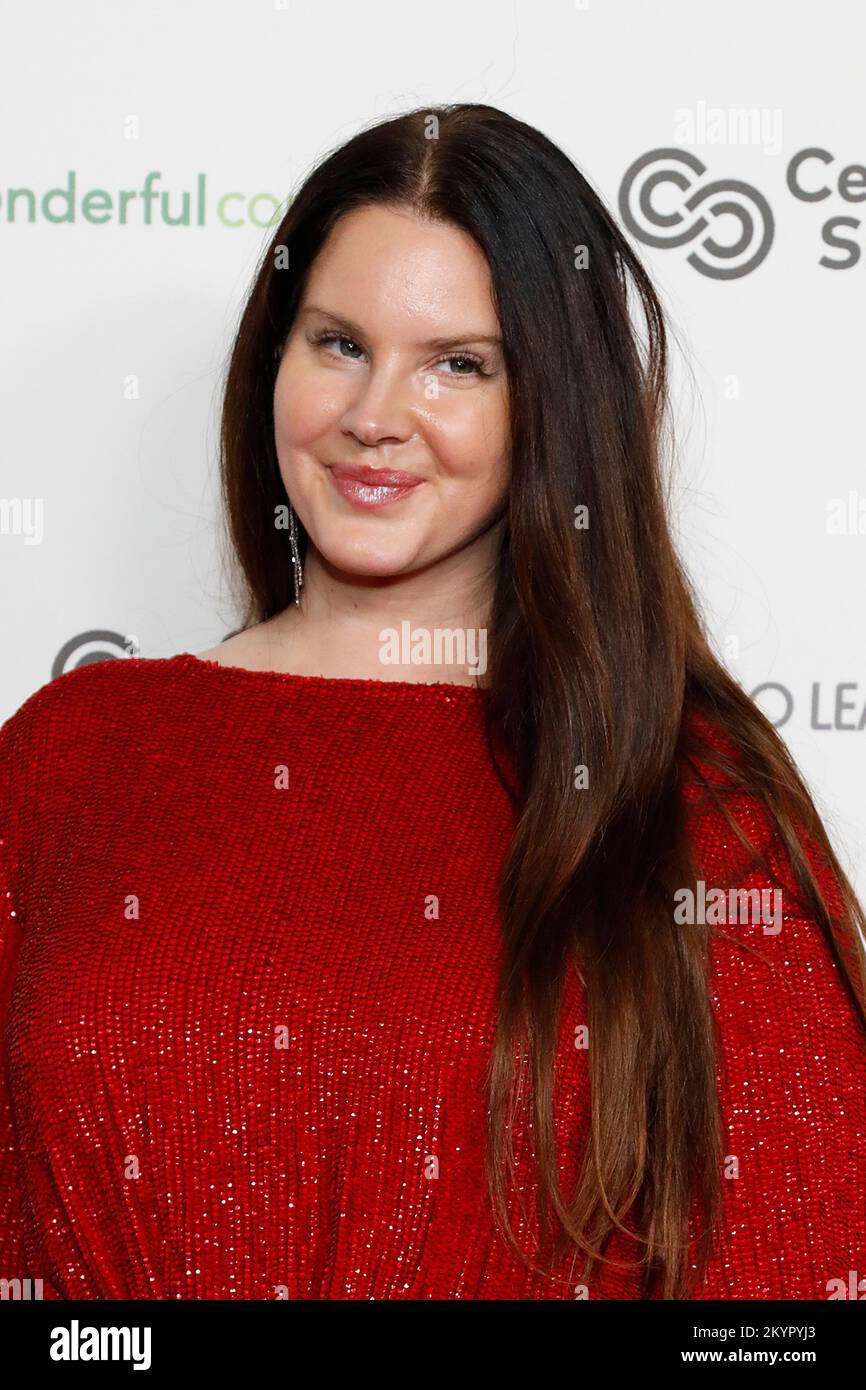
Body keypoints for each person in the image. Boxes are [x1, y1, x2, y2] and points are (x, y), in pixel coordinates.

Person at [1, 103, 864, 1302]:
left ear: (548, 406)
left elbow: (799, 1297)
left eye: (457, 363)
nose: (374, 415)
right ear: (273, 358)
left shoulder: (682, 791)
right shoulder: (70, 754)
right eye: (336, 343)